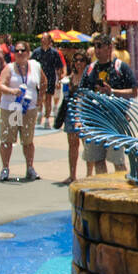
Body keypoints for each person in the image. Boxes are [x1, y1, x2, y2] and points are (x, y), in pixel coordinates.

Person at [82, 34, 137, 174]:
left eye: (100, 46)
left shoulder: (121, 67)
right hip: (94, 122)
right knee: (98, 160)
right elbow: (82, 94)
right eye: (95, 46)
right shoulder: (90, 69)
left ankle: (122, 190)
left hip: (115, 122)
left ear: (109, 47)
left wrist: (112, 91)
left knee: (117, 161)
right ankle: (104, 188)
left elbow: (134, 92)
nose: (97, 50)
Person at [0, 41, 43, 182]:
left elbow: (45, 82)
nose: (20, 53)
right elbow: (0, 85)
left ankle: (30, 168)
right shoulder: (9, 68)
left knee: (28, 140)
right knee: (7, 140)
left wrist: (40, 97)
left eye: (23, 50)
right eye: (17, 51)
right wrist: (12, 91)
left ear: (28, 53)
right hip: (12, 108)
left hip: (29, 108)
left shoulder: (35, 66)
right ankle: (5, 168)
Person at [56, 51, 93, 183]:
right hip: (71, 114)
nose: (78, 63)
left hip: (85, 114)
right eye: (76, 60)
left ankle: (89, 175)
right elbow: (66, 97)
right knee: (72, 145)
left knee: (87, 145)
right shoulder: (70, 78)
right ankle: (72, 175)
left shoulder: (89, 77)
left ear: (86, 62)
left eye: (81, 60)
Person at [31, 32, 66, 128]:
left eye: (45, 39)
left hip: (50, 78)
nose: (43, 40)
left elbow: (59, 68)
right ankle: (39, 113)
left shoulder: (54, 53)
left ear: (49, 41)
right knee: (39, 97)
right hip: (38, 78)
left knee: (48, 98)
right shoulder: (36, 52)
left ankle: (46, 119)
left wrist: (58, 81)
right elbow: (31, 65)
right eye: (42, 38)